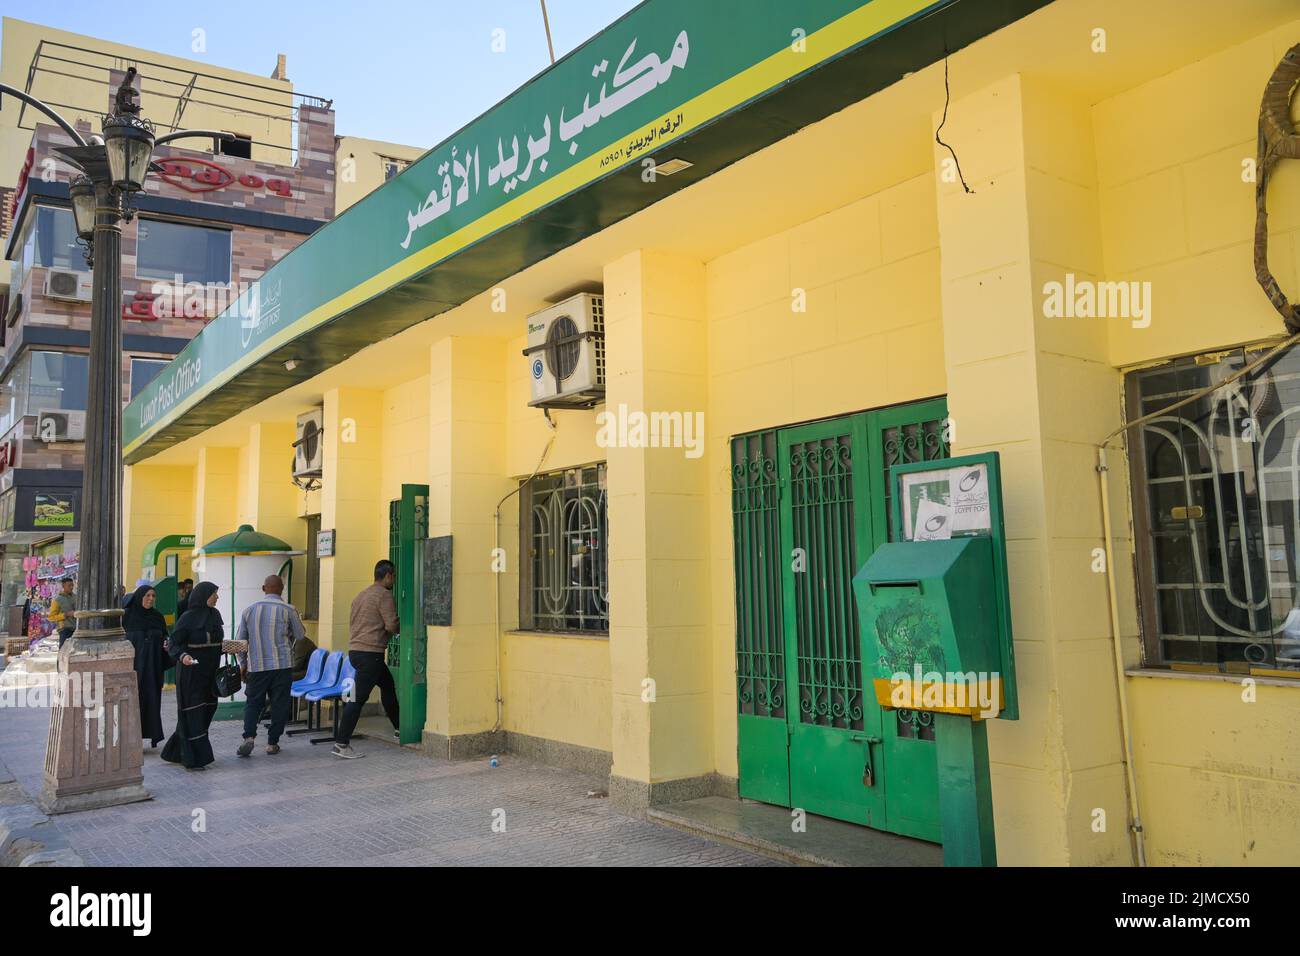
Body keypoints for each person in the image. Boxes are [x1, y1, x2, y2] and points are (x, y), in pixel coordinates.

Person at [332, 559, 400, 759]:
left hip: (356, 651)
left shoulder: (361, 595)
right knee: (357, 699)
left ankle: (399, 727)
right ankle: (341, 743)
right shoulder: (384, 595)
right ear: (387, 575)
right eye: (393, 576)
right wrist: (399, 627)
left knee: (387, 685)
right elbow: (390, 625)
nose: (394, 579)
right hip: (371, 654)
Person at [235, 574, 305, 757]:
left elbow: (240, 642)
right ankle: (272, 743)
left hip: (257, 666)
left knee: (253, 702)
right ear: (282, 589)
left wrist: (243, 664)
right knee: (280, 704)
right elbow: (300, 635)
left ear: (263, 588)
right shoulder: (289, 609)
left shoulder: (249, 611)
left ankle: (249, 737)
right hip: (282, 665)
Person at [160, 582, 223, 771]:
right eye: (214, 594)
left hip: (210, 672)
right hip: (191, 672)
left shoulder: (215, 615)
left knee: (209, 708)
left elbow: (216, 640)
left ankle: (175, 750)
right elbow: (174, 644)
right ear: (203, 596)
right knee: (194, 711)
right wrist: (183, 656)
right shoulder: (187, 618)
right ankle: (196, 757)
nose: (217, 597)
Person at [122, 584, 169, 748]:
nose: (150, 599)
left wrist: (167, 646)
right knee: (132, 702)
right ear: (139, 597)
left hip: (152, 667)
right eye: (147, 596)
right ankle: (130, 739)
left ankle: (149, 735)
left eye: (153, 596)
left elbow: (165, 639)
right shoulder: (126, 617)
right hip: (133, 669)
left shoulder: (157, 617)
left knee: (151, 701)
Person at [50, 578, 76, 647]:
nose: (71, 587)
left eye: (72, 585)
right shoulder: (57, 600)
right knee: (63, 650)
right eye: (69, 585)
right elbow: (51, 617)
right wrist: (65, 615)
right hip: (64, 630)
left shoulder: (76, 597)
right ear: (63, 586)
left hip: (76, 629)